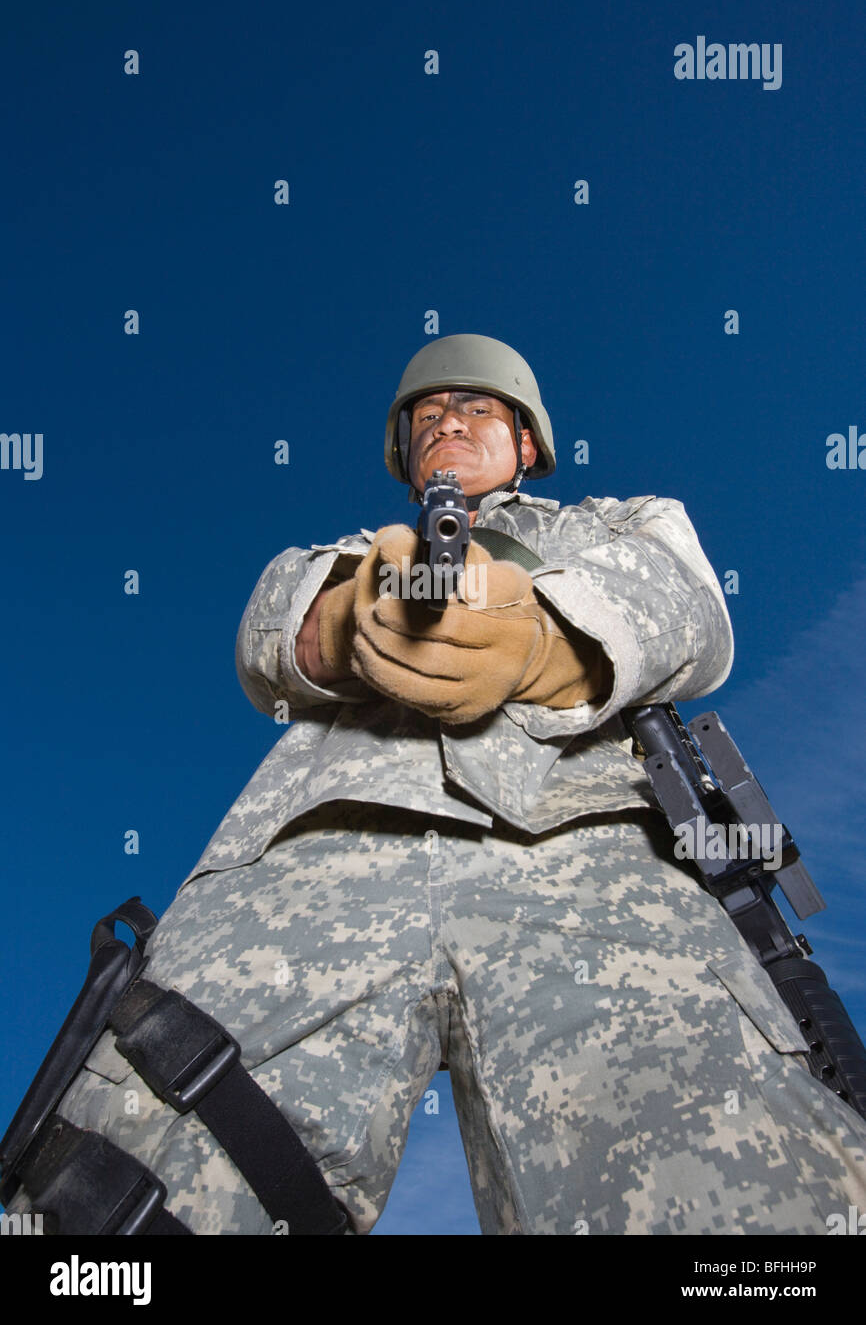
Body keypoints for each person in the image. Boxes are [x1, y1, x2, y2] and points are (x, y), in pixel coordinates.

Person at [17, 334, 866, 1235]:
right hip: (316, 864)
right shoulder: (343, 556)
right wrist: (346, 620)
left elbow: (687, 610)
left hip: (592, 860)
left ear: (527, 441)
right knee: (127, 1176)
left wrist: (542, 643)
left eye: (476, 407)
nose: (447, 422)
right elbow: (269, 638)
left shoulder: (620, 524)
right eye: (426, 414)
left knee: (732, 1185)